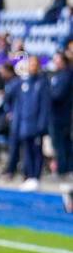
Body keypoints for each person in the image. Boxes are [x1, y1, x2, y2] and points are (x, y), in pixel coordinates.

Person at [15, 54, 51, 191]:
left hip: (37, 124)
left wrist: (42, 124)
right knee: (27, 151)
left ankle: (36, 177)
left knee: (37, 151)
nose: (32, 66)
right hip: (26, 123)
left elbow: (44, 105)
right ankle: (29, 176)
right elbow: (21, 104)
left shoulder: (42, 83)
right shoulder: (25, 82)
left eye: (35, 64)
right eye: (30, 64)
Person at [46, 52, 73, 180]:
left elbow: (57, 95)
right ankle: (65, 169)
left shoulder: (66, 75)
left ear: (63, 61)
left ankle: (63, 170)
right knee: (60, 144)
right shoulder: (58, 75)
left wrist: (47, 94)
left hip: (61, 116)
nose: (55, 62)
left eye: (57, 59)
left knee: (61, 144)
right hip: (55, 115)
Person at [0, 62, 22, 180]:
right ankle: (11, 167)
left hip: (17, 119)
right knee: (12, 145)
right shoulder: (8, 83)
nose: (1, 75)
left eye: (3, 72)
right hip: (10, 118)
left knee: (15, 145)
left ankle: (12, 169)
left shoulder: (16, 83)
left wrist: (11, 113)